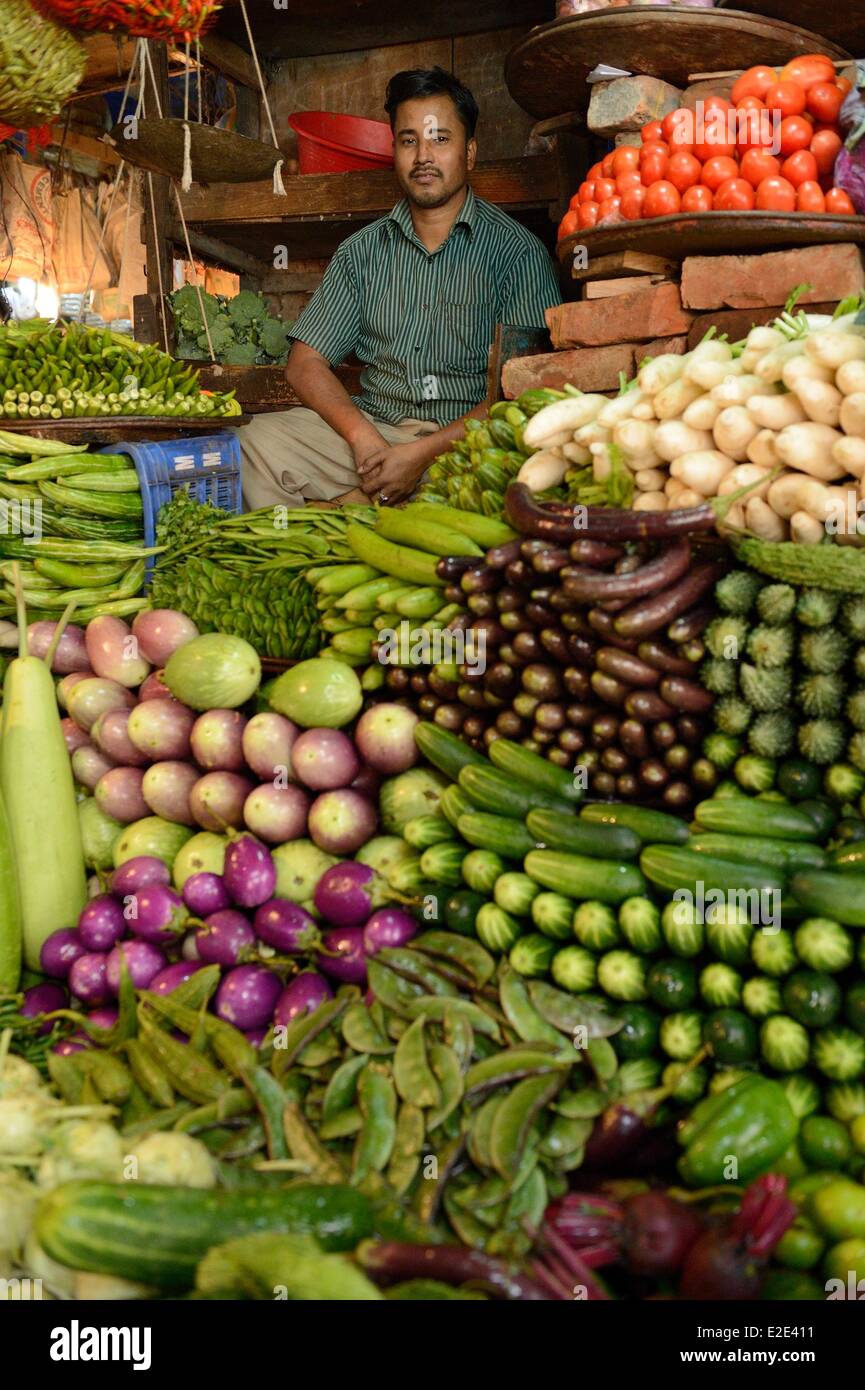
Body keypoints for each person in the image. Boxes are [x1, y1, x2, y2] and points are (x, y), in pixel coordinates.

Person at [235, 66, 560, 510]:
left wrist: (422, 454)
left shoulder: (517, 253)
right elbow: (305, 363)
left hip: (468, 441)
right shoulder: (361, 253)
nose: (423, 155)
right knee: (253, 443)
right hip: (375, 432)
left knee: (525, 473)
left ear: (469, 153)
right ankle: (354, 518)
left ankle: (351, 508)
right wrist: (362, 438)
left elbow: (528, 388)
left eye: (440, 139)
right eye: (409, 140)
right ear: (394, 151)